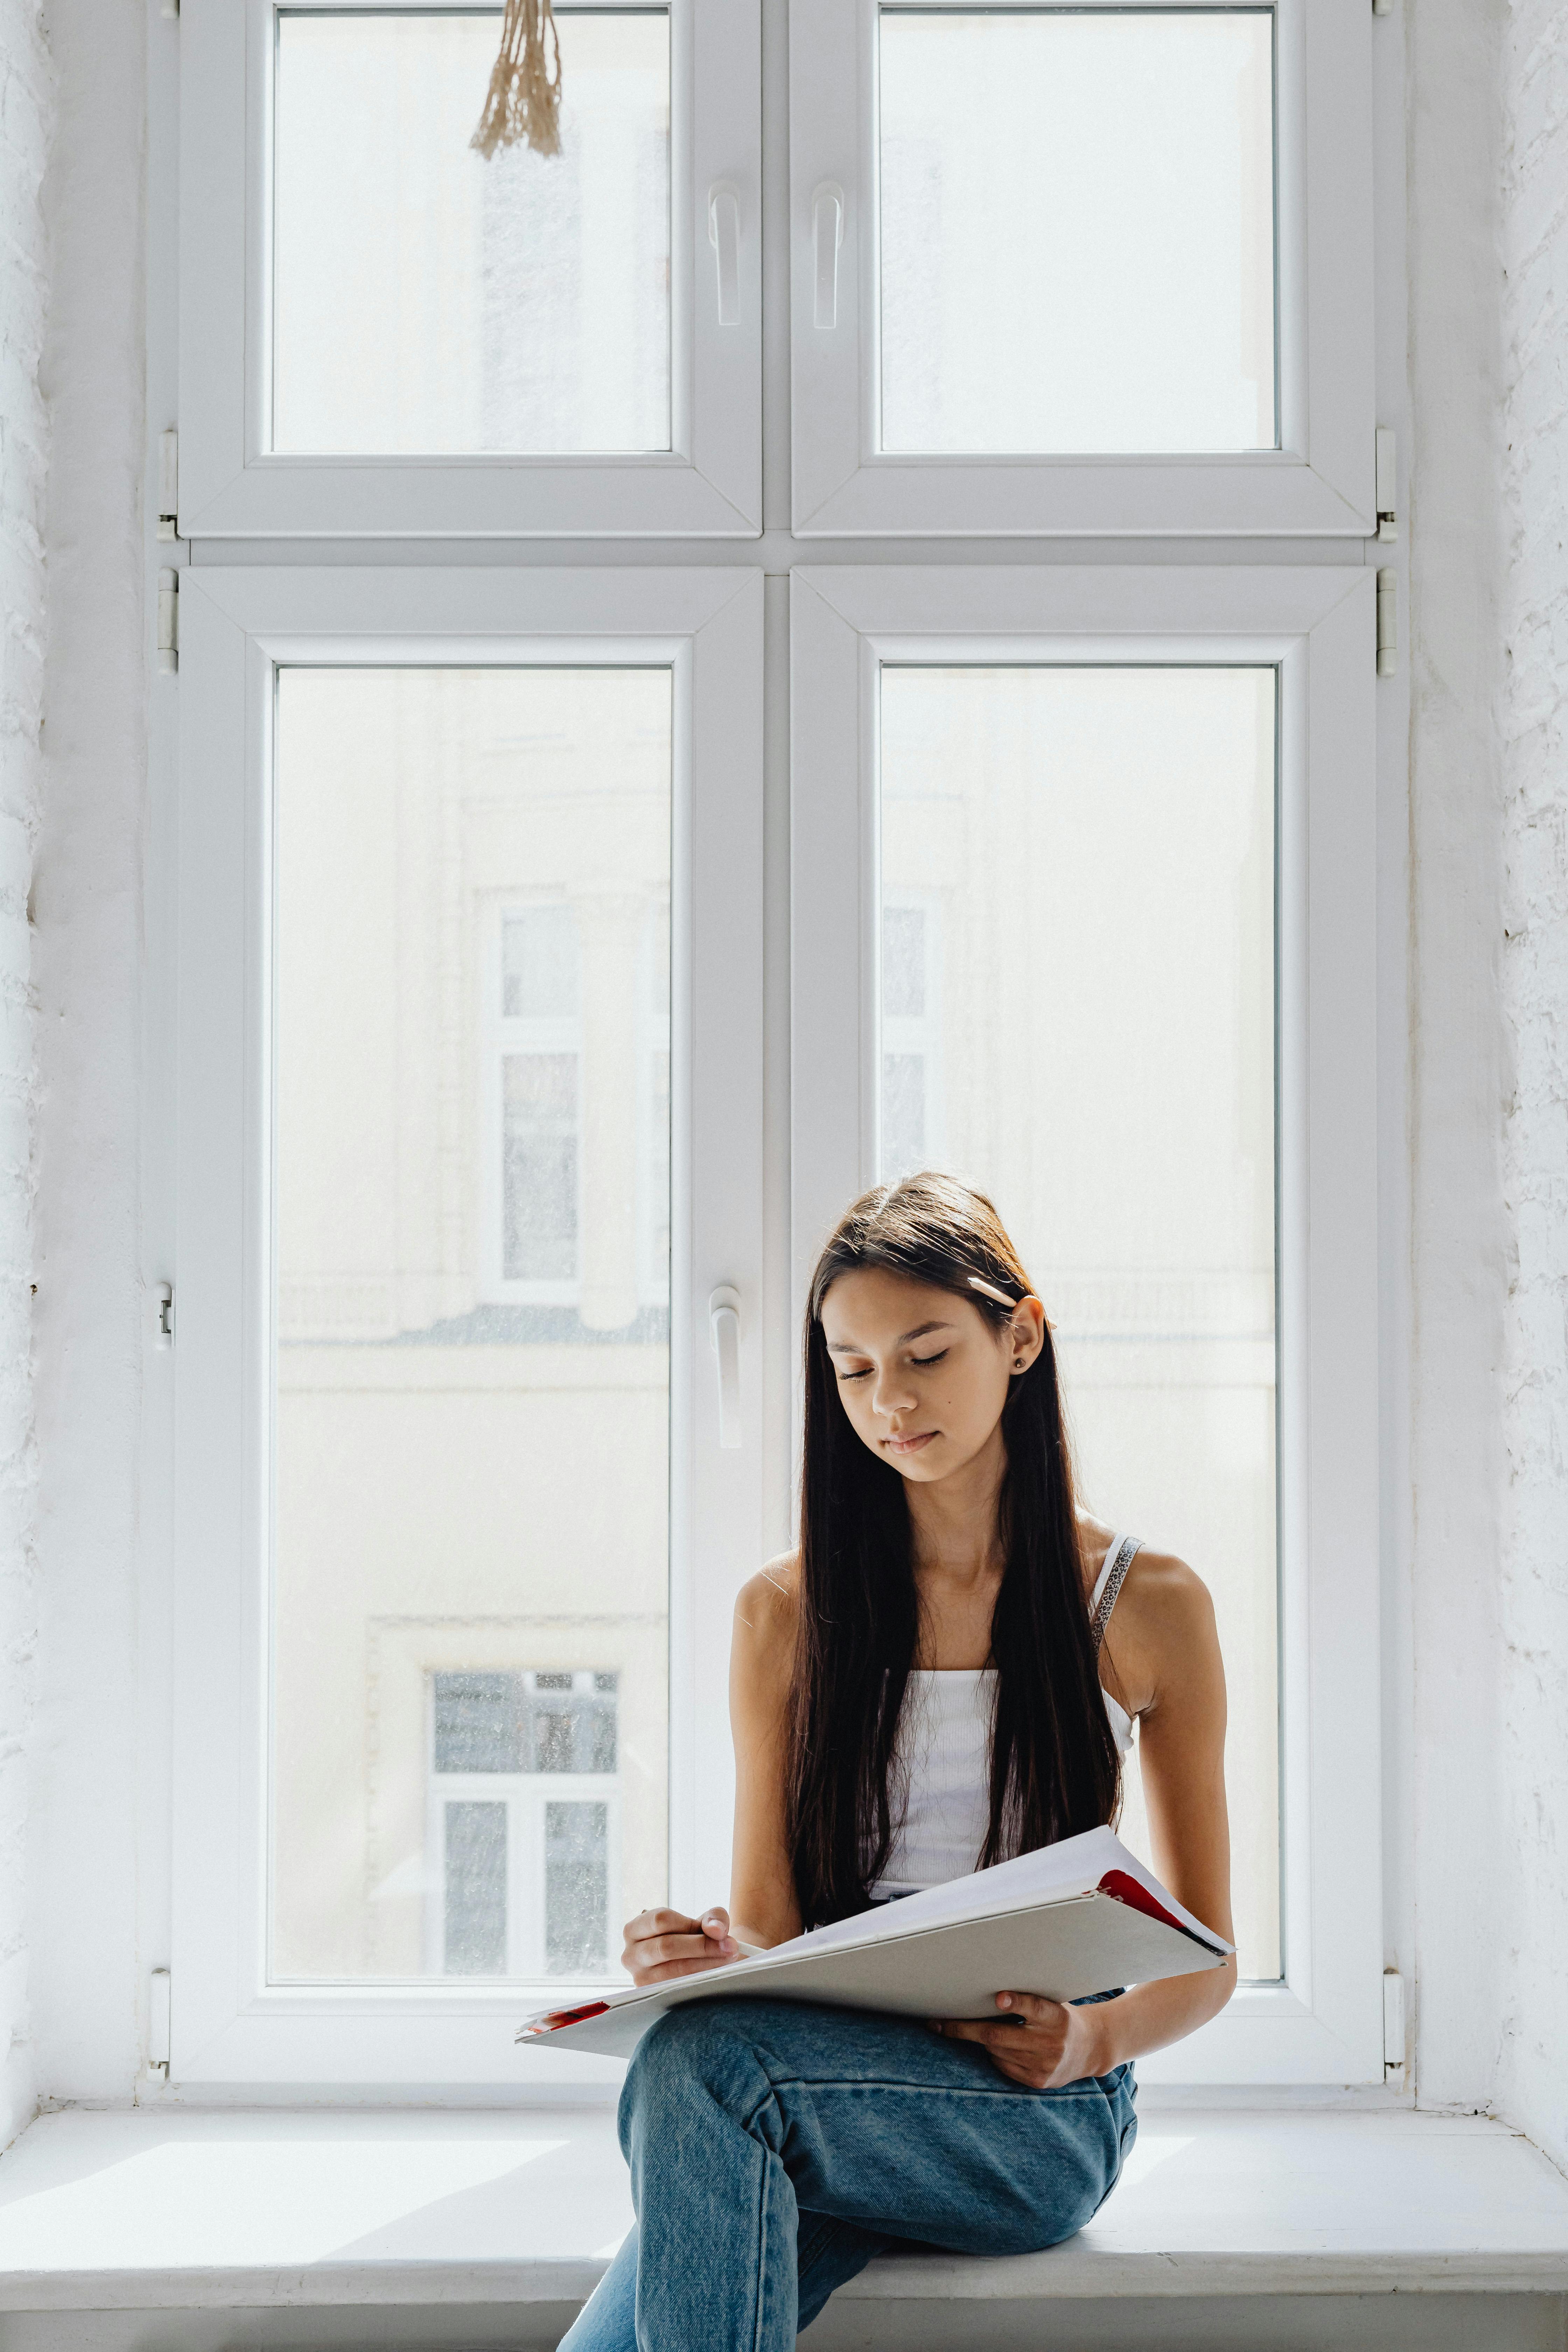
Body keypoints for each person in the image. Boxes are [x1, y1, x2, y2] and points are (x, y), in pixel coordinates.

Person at [561, 1172, 1235, 2351]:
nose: (890, 1402)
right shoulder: (785, 1611)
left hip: (1038, 2112)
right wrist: (714, 1959)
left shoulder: (1141, 1603)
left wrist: (1092, 2040)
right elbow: (773, 1930)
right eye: (854, 1368)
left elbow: (1207, 1959)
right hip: (818, 2087)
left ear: (1020, 1336)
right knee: (698, 2066)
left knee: (703, 2074)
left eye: (925, 1354)